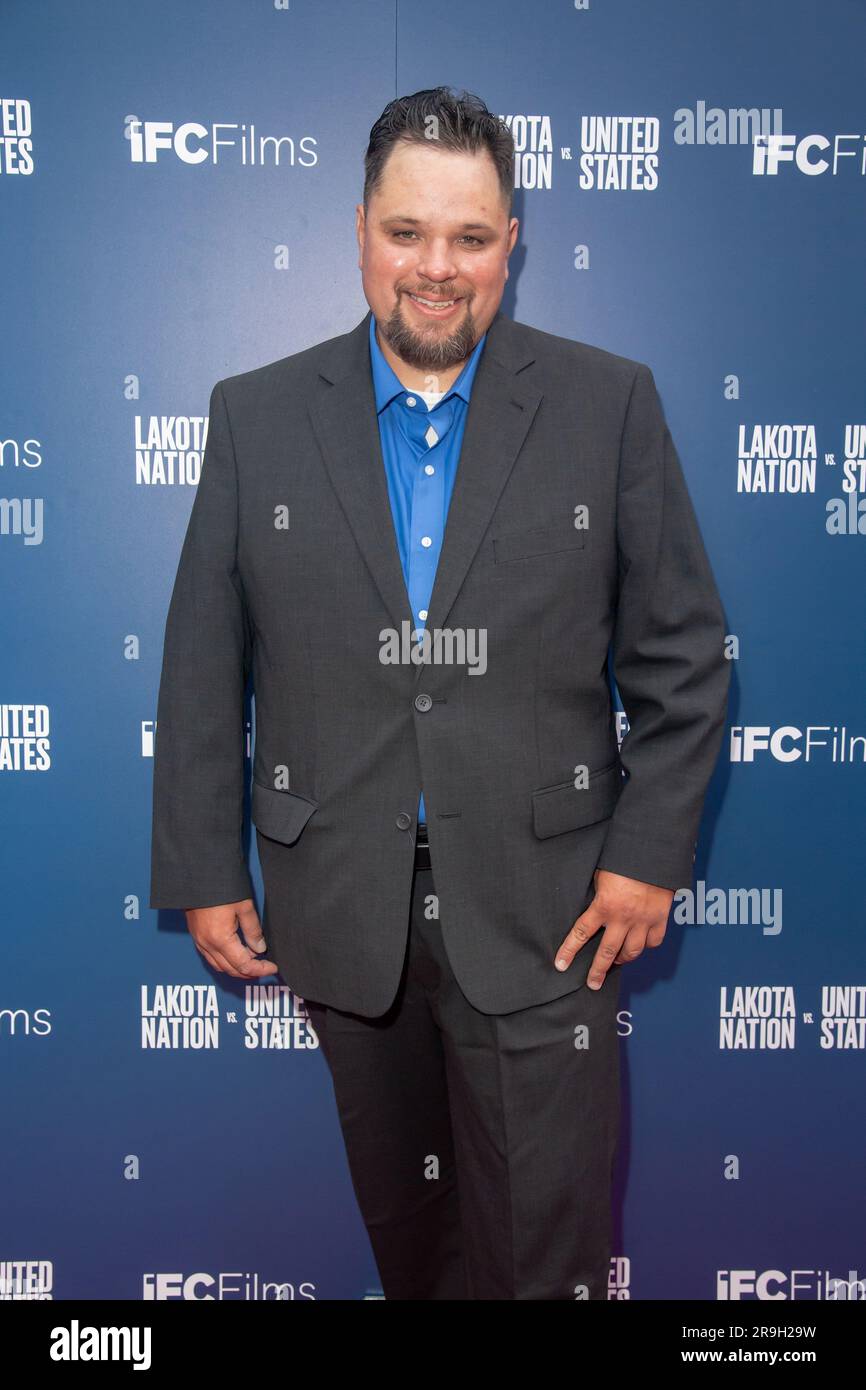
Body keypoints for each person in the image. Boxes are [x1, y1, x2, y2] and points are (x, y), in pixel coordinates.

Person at [150, 86, 731, 1300]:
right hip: (342, 917)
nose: (435, 267)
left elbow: (683, 657)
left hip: (547, 915)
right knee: (415, 1254)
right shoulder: (254, 415)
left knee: (542, 1260)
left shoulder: (606, 403)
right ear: (360, 230)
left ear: (510, 242)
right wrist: (205, 869)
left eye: (469, 237)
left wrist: (646, 855)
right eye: (407, 232)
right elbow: (207, 660)